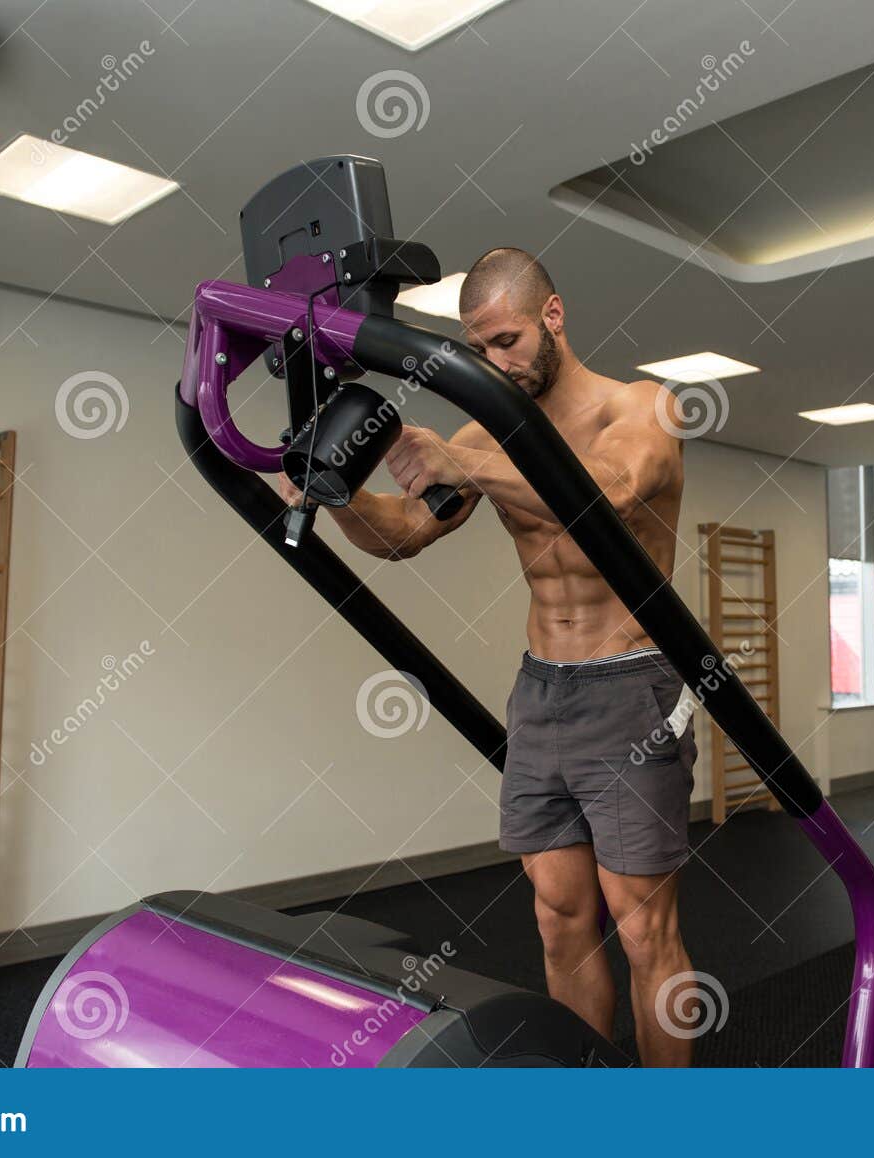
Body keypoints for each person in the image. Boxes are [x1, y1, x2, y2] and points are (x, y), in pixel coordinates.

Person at [275, 247, 699, 1065]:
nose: (494, 362)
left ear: (553, 316)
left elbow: (606, 492)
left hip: (633, 686)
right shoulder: (490, 430)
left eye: (507, 341)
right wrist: (333, 493)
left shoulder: (643, 406)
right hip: (542, 692)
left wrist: (461, 458)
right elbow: (402, 534)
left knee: (643, 928)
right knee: (560, 920)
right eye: (478, 348)